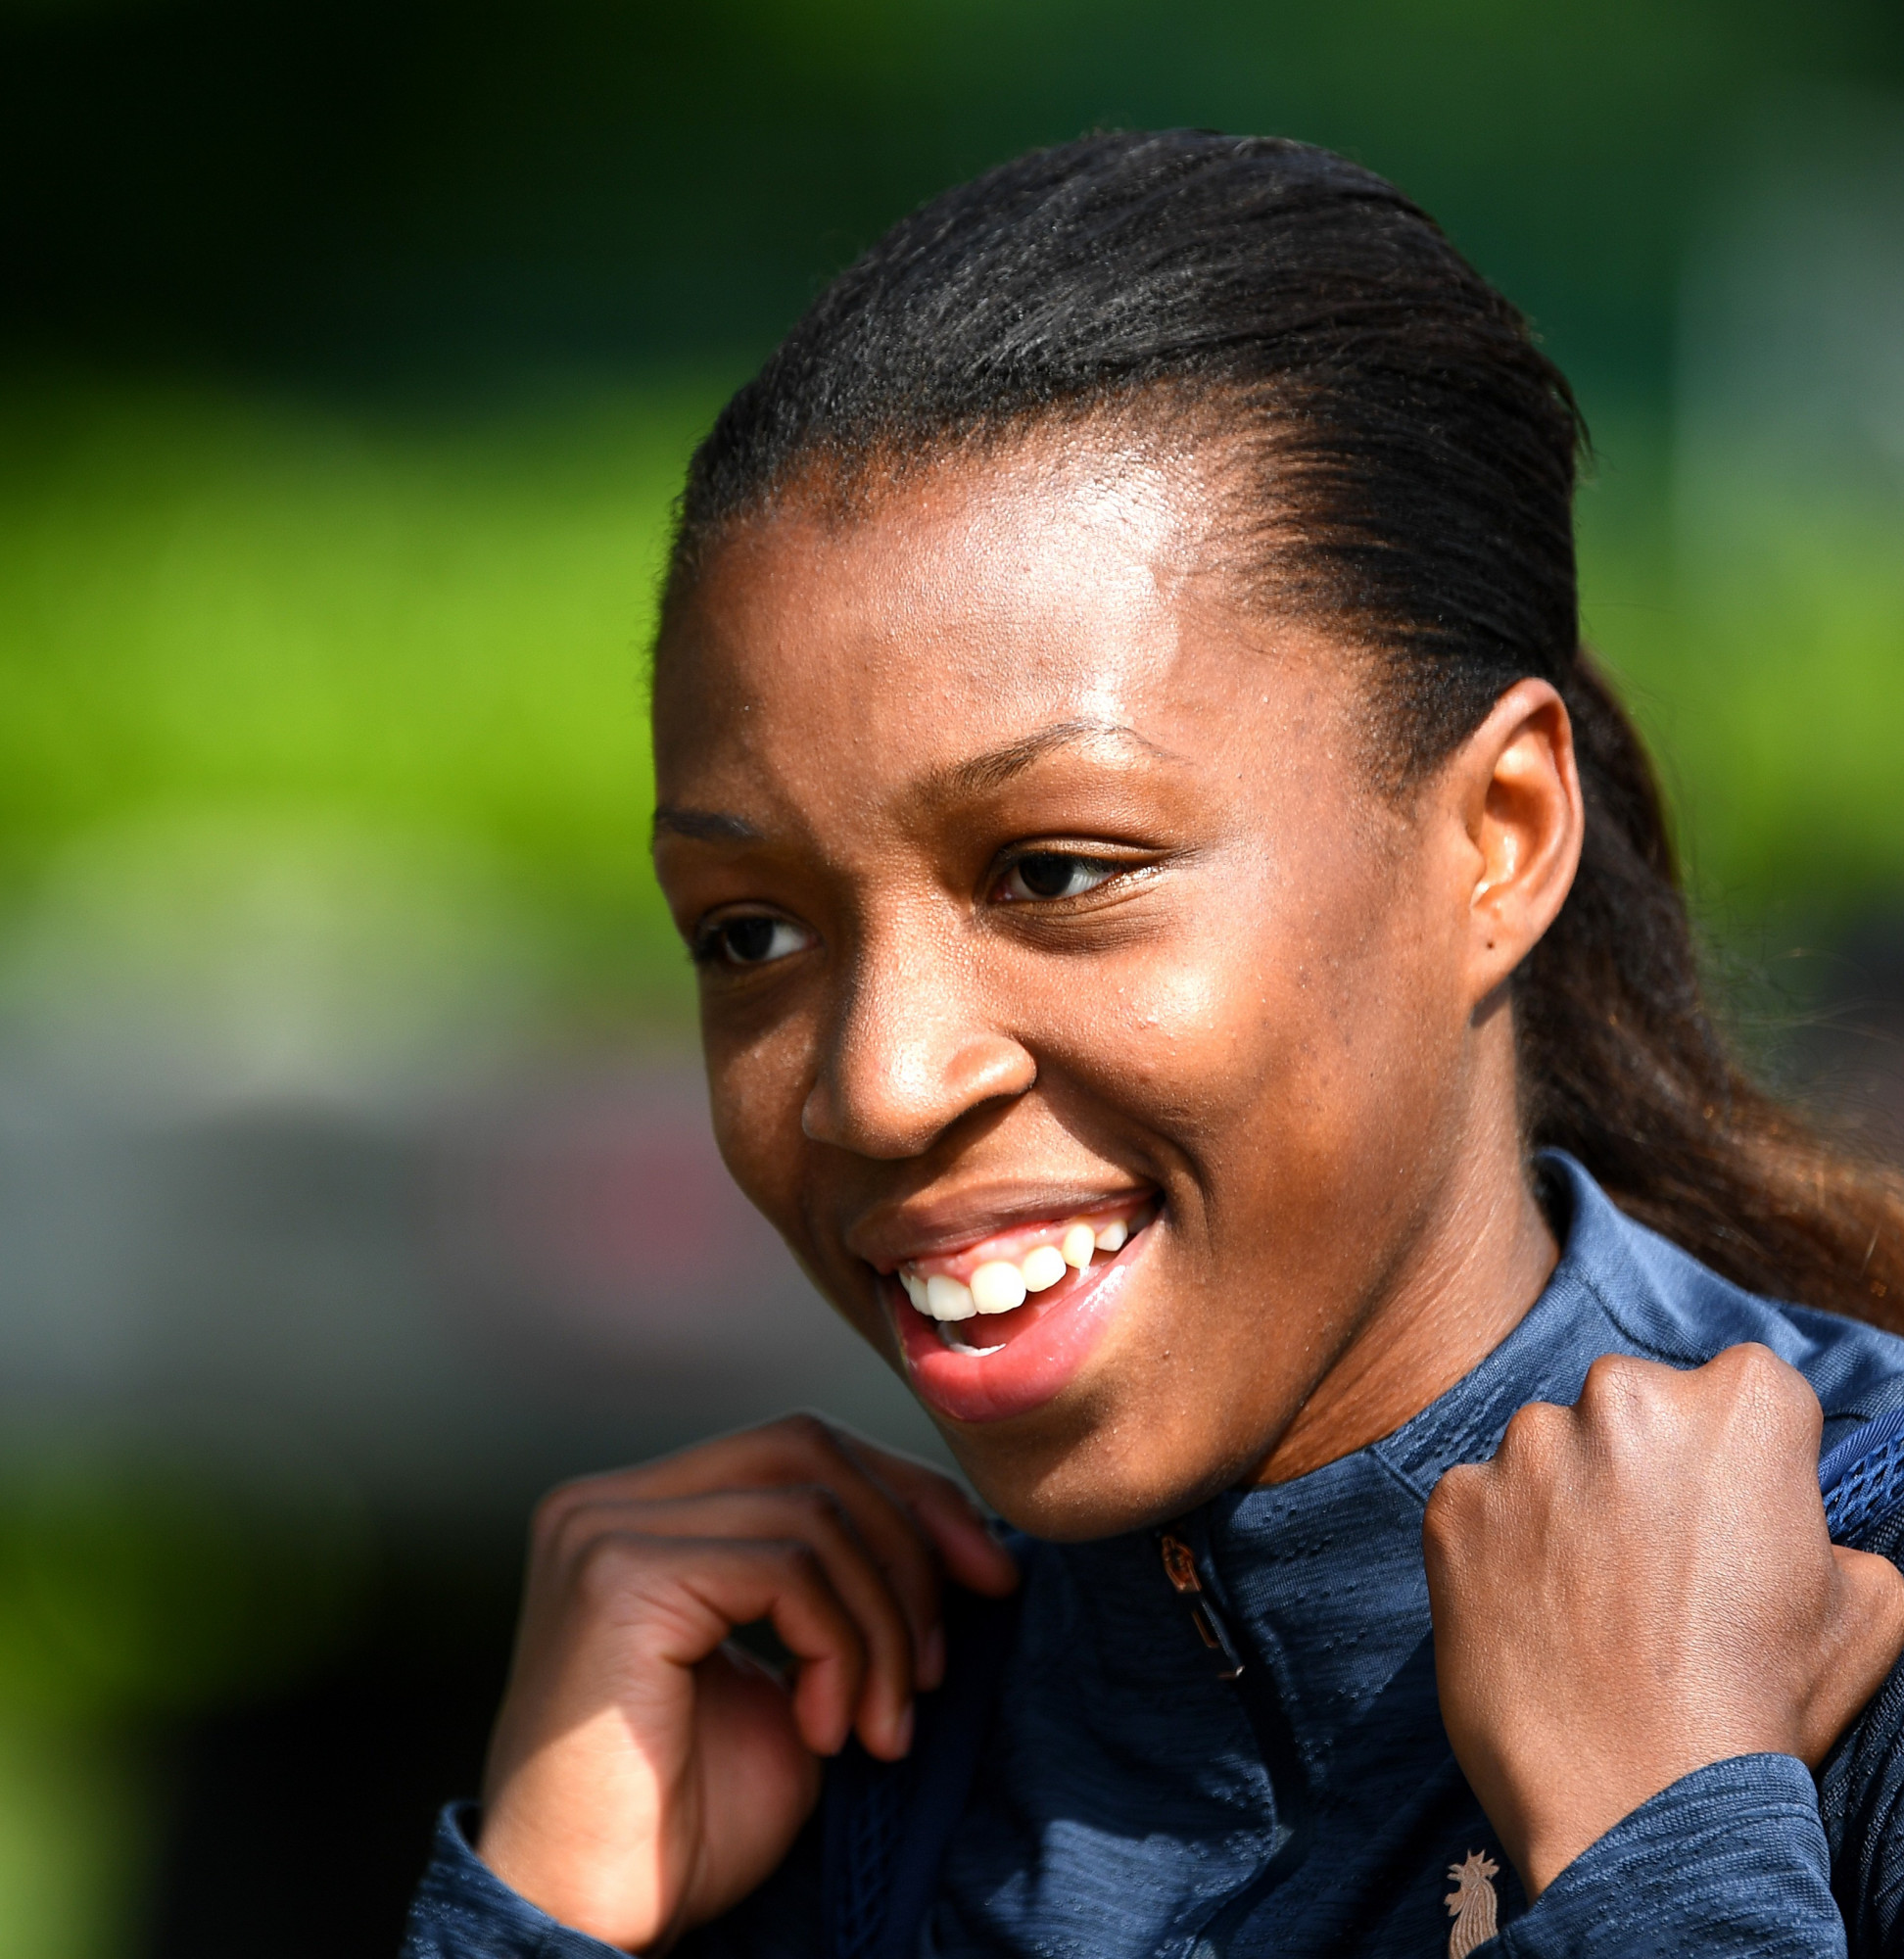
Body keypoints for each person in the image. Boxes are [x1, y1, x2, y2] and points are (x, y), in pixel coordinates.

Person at [402, 131, 1904, 1958]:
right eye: (753, 935)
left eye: (1056, 871)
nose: (876, 1086)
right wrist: (542, 1921)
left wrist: (1663, 1854)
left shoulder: (1851, 1638)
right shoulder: (773, 1760)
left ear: (1497, 837)